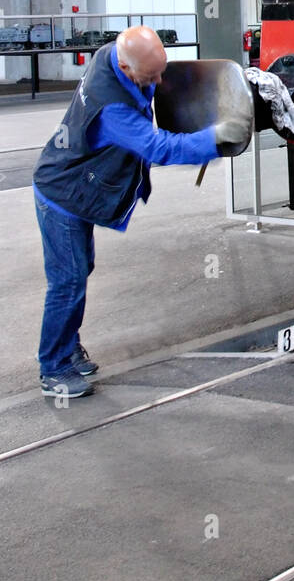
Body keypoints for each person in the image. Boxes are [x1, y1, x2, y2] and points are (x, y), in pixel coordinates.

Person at [32, 26, 250, 400]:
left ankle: (67, 347)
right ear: (125, 66)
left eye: (161, 71)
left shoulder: (112, 55)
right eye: (151, 77)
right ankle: (53, 368)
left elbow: (154, 83)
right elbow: (158, 148)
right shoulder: (112, 109)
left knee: (78, 271)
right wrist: (215, 137)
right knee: (68, 280)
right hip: (63, 195)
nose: (159, 82)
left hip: (78, 186)